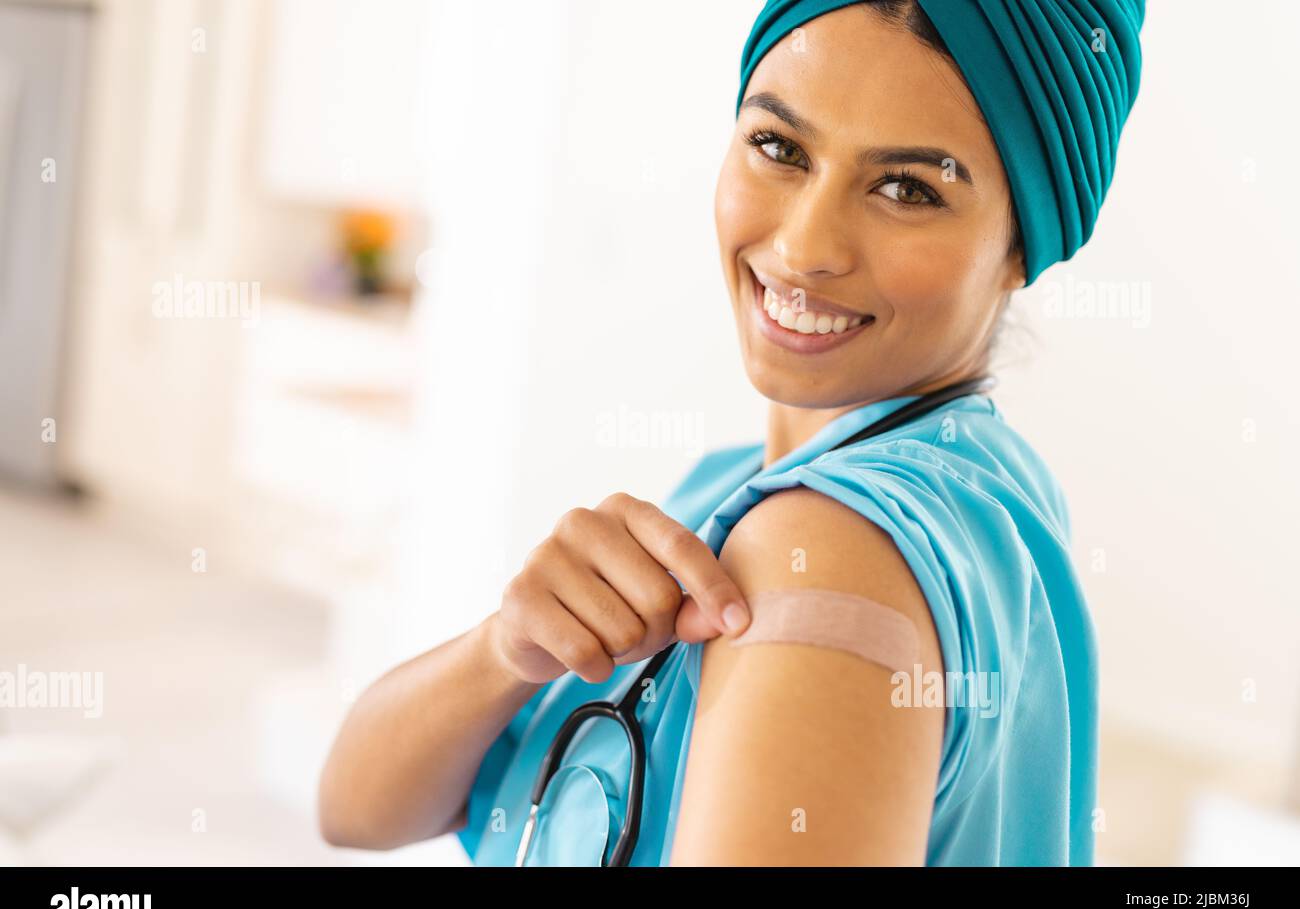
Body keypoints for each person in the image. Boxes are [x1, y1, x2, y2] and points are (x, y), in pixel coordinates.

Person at [317, 0, 1144, 865]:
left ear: (1025, 244)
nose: (802, 245)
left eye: (907, 188)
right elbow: (353, 807)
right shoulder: (767, 494)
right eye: (781, 148)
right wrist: (503, 651)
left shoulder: (832, 545)